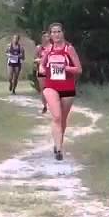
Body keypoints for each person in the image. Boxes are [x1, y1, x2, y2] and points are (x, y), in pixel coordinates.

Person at [39, 22, 83, 160]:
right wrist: (42, 69)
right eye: (53, 32)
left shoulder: (69, 49)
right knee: (57, 116)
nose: (56, 34)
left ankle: (58, 143)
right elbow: (42, 66)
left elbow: (79, 70)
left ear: (63, 33)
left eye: (58, 32)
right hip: (51, 86)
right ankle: (59, 150)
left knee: (62, 119)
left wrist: (65, 68)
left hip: (67, 87)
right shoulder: (48, 49)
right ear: (50, 35)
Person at [34, 29, 49, 114]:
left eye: (47, 36)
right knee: (43, 90)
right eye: (44, 36)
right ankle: (45, 106)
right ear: (42, 38)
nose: (46, 38)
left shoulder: (52, 47)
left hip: (51, 71)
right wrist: (41, 60)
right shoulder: (39, 48)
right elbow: (35, 59)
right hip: (41, 71)